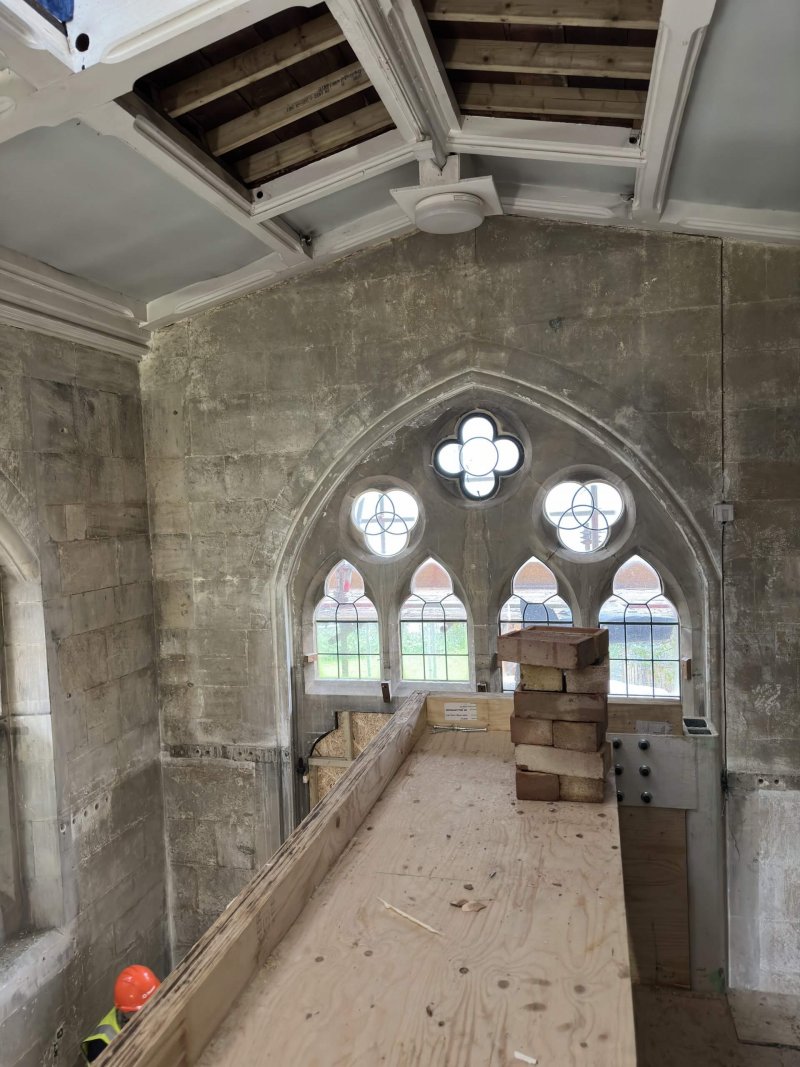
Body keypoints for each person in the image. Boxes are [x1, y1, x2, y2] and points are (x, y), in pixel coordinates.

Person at [81, 964, 161, 1063]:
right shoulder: (102, 1046)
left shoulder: (132, 1014)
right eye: (146, 1009)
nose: (152, 1011)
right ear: (127, 1012)